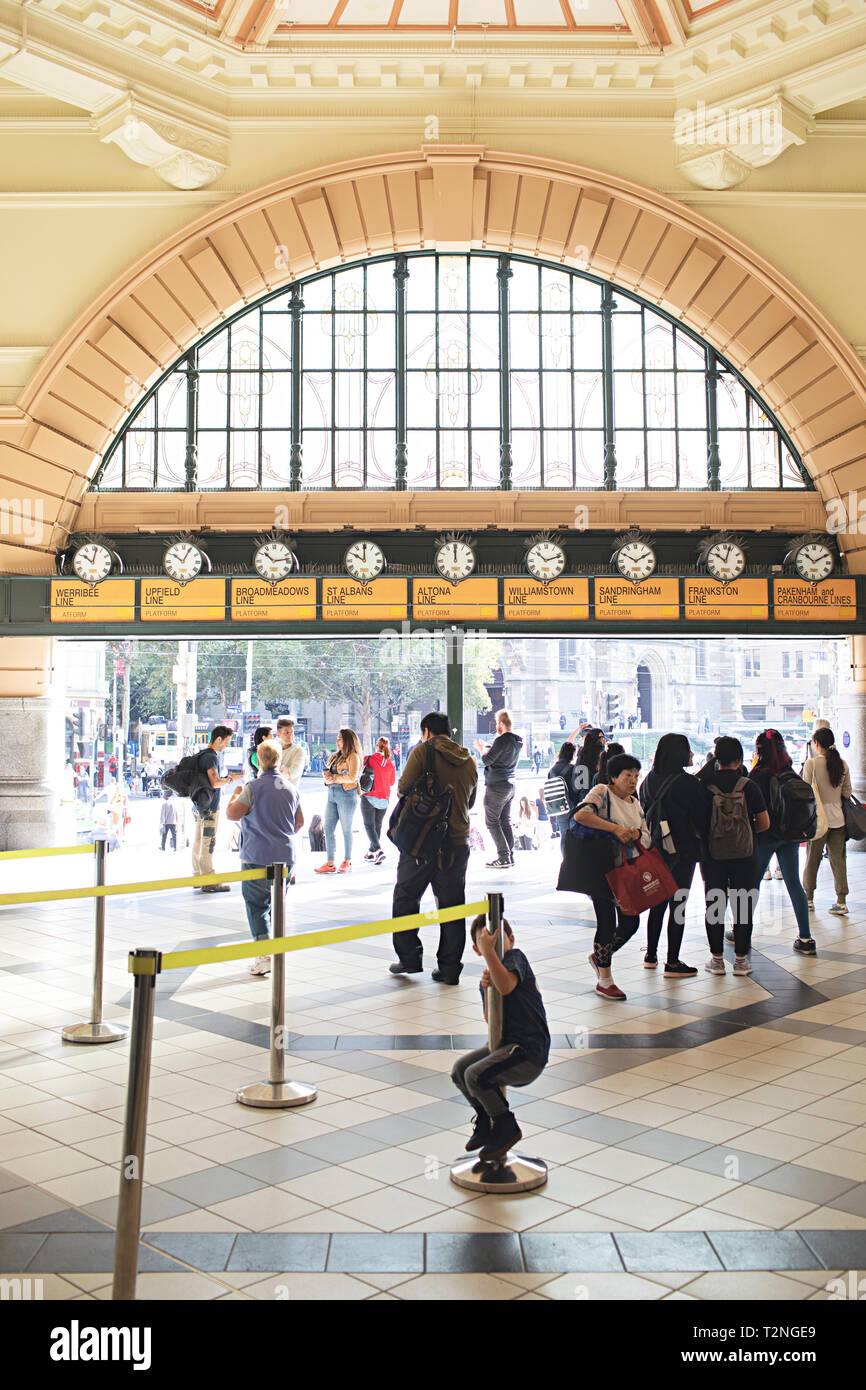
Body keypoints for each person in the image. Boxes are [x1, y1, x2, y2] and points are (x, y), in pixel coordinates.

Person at [451, 915, 550, 1161]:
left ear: (511, 940)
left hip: (528, 1050)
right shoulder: (487, 976)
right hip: (507, 1046)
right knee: (460, 1069)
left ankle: (506, 1126)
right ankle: (485, 1120)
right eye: (485, 942)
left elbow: (506, 986)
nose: (492, 945)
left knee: (476, 1075)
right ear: (475, 949)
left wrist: (490, 956)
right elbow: (491, 1020)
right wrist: (486, 988)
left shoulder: (516, 958)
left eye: (497, 939)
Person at [390, 711, 478, 984]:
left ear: (426, 731)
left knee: (406, 897)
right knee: (452, 905)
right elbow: (471, 801)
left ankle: (410, 958)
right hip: (458, 841)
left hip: (421, 840)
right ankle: (450, 968)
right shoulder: (469, 760)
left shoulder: (421, 753)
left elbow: (403, 788)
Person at [574, 753, 651, 1001]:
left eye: (636, 776)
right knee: (606, 921)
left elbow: (647, 835)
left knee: (631, 923)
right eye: (628, 775)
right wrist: (616, 829)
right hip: (602, 868)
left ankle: (599, 957)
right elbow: (581, 815)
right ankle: (605, 980)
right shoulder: (601, 792)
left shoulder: (634, 802)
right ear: (614, 776)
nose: (633, 781)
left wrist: (637, 834)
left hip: (627, 871)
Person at [226, 739, 303, 977]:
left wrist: (235, 795)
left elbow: (232, 814)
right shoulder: (291, 788)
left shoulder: (252, 788)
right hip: (285, 858)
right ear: (280, 760)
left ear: (258, 761)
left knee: (257, 906)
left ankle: (263, 955)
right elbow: (299, 822)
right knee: (276, 904)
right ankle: (276, 950)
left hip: (256, 857)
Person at [639, 733, 707, 977]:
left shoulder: (646, 781)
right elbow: (702, 818)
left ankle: (651, 955)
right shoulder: (688, 784)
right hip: (683, 853)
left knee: (657, 903)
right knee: (678, 905)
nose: (690, 754)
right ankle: (673, 961)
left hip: (654, 851)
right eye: (687, 750)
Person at [701, 736, 770, 975]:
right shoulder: (748, 786)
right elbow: (764, 823)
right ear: (740, 759)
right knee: (742, 906)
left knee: (715, 906)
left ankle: (717, 960)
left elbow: (698, 825)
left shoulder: (706, 786)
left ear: (717, 758)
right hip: (745, 856)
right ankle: (741, 961)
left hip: (713, 856)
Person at [750, 728, 815, 955]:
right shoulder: (790, 773)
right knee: (793, 883)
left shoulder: (757, 775)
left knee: (753, 882)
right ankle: (806, 938)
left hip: (765, 836)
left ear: (760, 750)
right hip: (790, 835)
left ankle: (742, 933)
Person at [803, 726, 851, 918]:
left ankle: (808, 899)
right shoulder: (843, 764)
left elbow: (806, 793)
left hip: (817, 821)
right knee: (838, 861)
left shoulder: (811, 765)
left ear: (816, 744)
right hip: (838, 819)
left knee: (812, 860)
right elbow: (847, 793)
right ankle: (841, 901)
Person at [192, 726, 242, 892]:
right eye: (226, 742)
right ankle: (209, 879)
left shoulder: (201, 754)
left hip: (199, 805)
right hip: (210, 808)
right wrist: (230, 779)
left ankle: (197, 876)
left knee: (199, 841)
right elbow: (215, 782)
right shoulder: (211, 758)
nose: (226, 746)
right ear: (218, 739)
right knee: (208, 842)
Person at [475, 710, 523, 869]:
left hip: (497, 786)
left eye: (497, 723)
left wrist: (482, 749)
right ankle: (510, 856)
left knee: (492, 822)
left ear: (502, 723)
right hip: (510, 784)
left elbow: (487, 760)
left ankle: (503, 857)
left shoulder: (502, 740)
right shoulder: (517, 740)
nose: (496, 726)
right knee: (505, 821)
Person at [315, 728, 362, 874]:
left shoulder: (353, 756)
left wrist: (335, 778)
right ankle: (330, 863)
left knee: (346, 829)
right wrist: (327, 777)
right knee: (328, 828)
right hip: (332, 793)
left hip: (347, 794)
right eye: (337, 738)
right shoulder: (335, 756)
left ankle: (347, 861)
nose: (337, 741)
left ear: (348, 740)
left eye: (340, 738)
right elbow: (329, 773)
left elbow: (353, 777)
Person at [361, 736, 397, 864]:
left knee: (369, 825)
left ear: (377, 746)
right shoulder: (391, 764)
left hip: (369, 796)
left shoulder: (369, 759)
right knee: (377, 826)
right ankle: (371, 852)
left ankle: (378, 850)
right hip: (384, 799)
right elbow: (392, 782)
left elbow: (361, 772)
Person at [547, 739, 581, 854]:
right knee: (574, 837)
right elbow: (576, 789)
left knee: (564, 837)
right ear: (572, 754)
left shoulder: (552, 769)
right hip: (572, 807)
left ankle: (565, 860)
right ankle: (572, 862)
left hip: (558, 808)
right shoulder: (573, 769)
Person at [277, 717, 305, 785]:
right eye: (286, 733)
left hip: (289, 794)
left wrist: (274, 770)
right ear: (278, 734)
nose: (290, 735)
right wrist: (282, 770)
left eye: (292, 732)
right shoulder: (273, 750)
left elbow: (292, 773)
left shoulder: (299, 751)